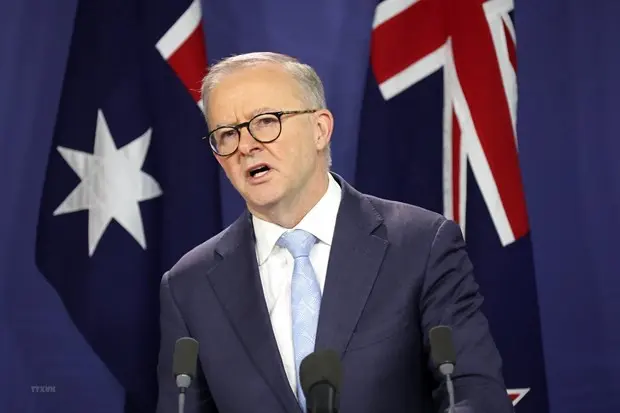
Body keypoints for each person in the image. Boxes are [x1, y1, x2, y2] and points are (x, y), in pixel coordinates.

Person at [156, 52, 514, 413]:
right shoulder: (189, 285)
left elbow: (476, 396)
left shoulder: (420, 246)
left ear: (320, 129)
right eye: (227, 134)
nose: (246, 146)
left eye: (265, 121)